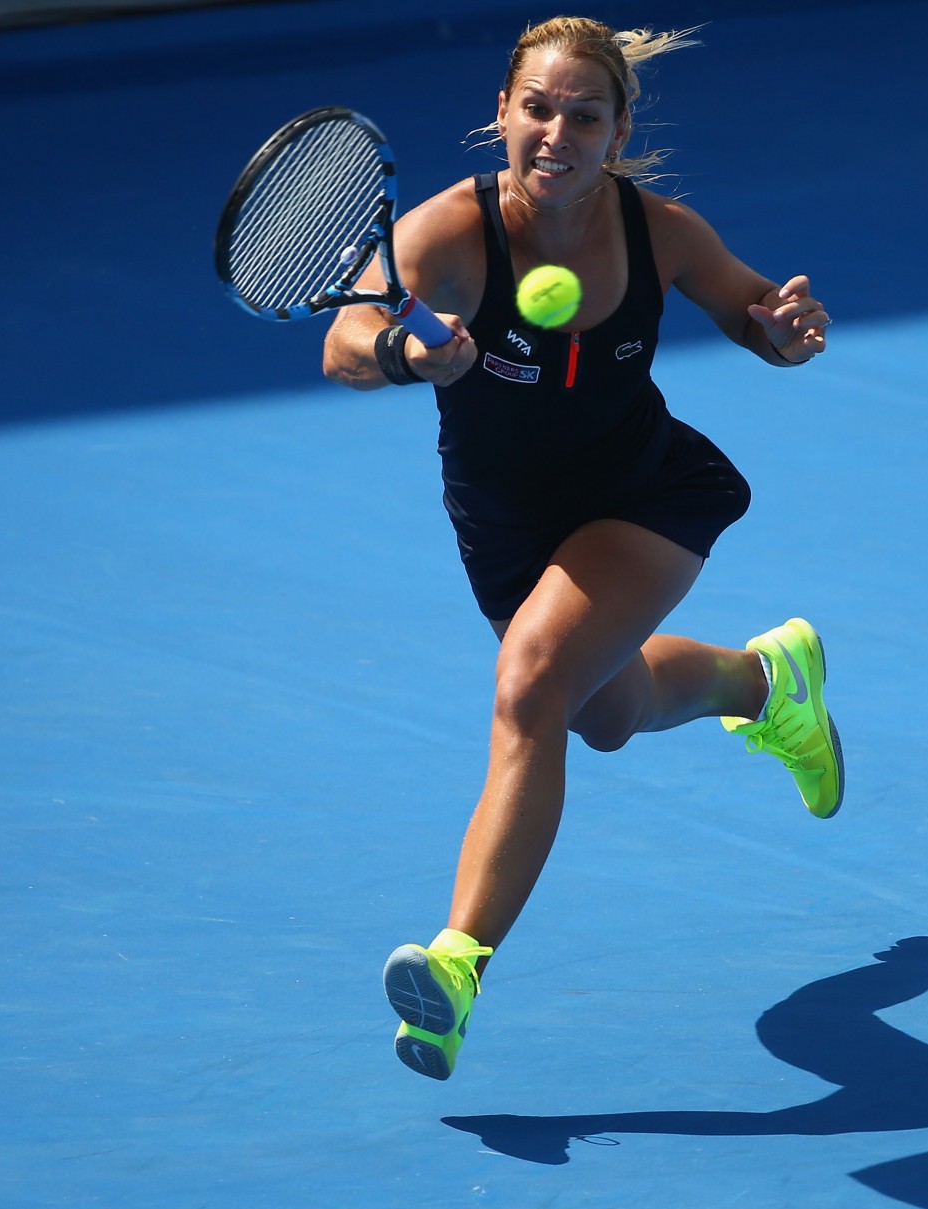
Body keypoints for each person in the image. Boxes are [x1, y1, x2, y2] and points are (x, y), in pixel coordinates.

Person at [321, 16, 843, 1081]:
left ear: (618, 131)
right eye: (539, 109)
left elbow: (756, 314)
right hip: (507, 525)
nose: (558, 132)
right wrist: (402, 350)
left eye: (585, 115)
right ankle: (767, 679)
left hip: (641, 492)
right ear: (503, 115)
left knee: (530, 689)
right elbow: (343, 345)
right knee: (604, 713)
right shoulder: (447, 236)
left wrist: (786, 331)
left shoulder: (660, 232)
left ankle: (456, 964)